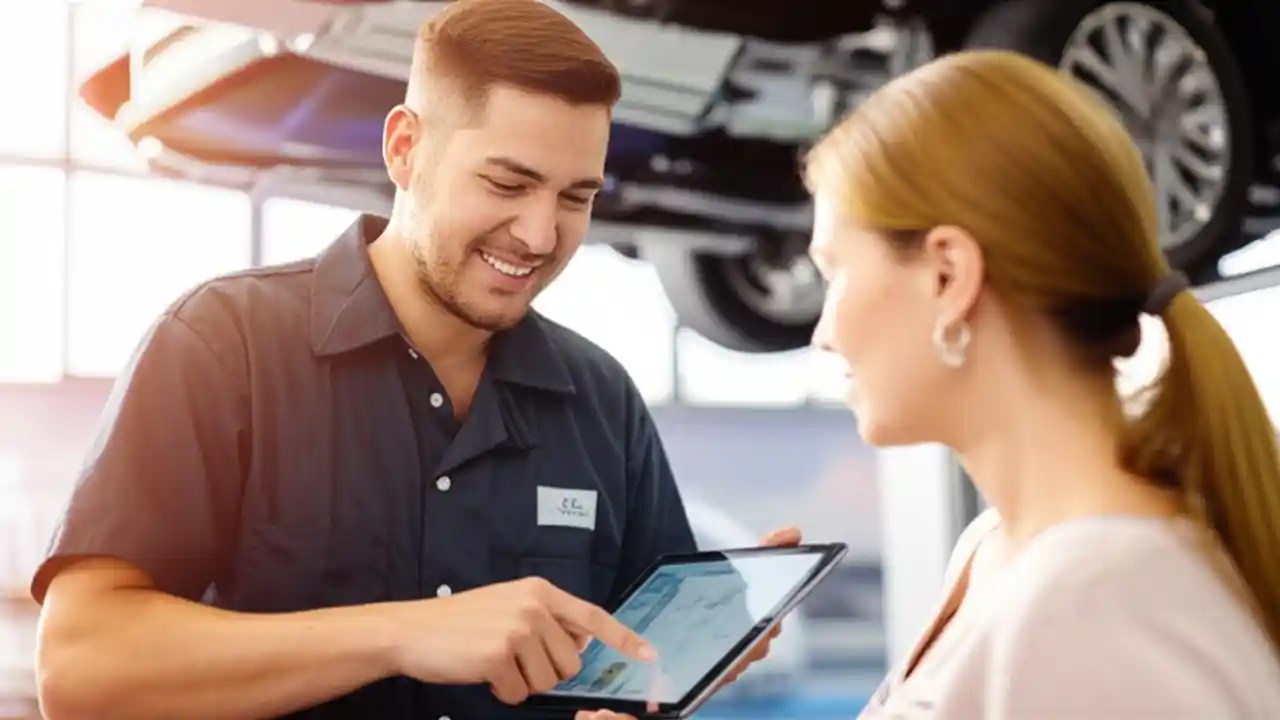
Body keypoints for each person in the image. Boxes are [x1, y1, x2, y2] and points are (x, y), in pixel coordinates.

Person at [30, 1, 795, 718]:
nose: (538, 234)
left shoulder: (600, 398)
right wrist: (403, 632)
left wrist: (692, 656)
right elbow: (79, 667)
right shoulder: (224, 345)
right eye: (507, 182)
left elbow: (631, 670)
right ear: (404, 147)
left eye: (575, 197)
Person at [582, 48, 1280, 720]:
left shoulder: (1102, 600)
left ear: (948, 275)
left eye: (833, 272)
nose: (823, 332)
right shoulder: (996, 551)